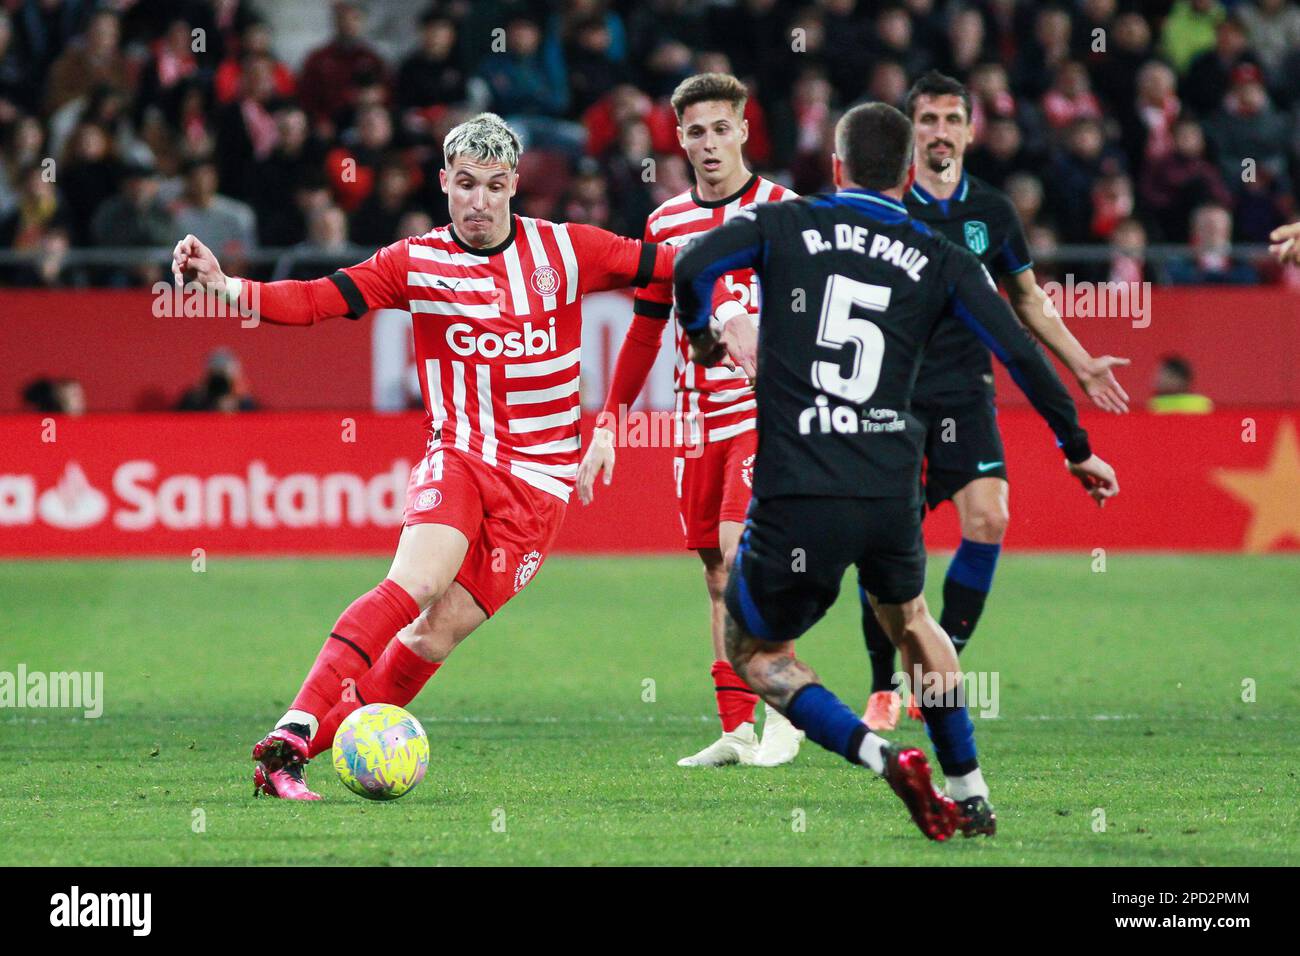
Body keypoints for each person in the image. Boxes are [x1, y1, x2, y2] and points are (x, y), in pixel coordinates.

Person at [172, 113, 675, 800]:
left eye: (494, 186)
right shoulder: (416, 262)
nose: (478, 201)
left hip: (541, 488)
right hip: (461, 457)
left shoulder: (569, 251)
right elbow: (317, 300)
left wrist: (776, 251)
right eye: (465, 184)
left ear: (514, 186)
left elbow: (672, 268)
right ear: (443, 182)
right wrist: (225, 285)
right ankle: (291, 729)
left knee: (435, 637)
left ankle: (290, 759)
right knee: (417, 584)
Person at [673, 101, 1119, 841]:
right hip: (889, 486)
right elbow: (1016, 350)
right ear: (909, 174)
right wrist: (1076, 446)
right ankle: (969, 789)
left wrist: (702, 334)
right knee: (912, 620)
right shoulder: (942, 256)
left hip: (798, 486)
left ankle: (883, 756)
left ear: (837, 166)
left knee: (754, 652)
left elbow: (693, 265)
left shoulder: (786, 224)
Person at [860, 72, 1129, 731]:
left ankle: (938, 667)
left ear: (972, 131)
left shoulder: (992, 212)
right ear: (909, 130)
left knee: (989, 519)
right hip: (891, 392)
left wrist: (1082, 360)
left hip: (964, 390)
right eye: (928, 120)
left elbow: (1027, 301)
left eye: (953, 120)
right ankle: (881, 687)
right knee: (885, 543)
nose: (941, 132)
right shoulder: (880, 204)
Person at [577, 72, 803, 768]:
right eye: (695, 131)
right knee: (713, 571)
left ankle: (785, 714)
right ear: (678, 137)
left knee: (742, 553)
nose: (708, 144)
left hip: (767, 416)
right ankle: (736, 728)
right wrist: (610, 423)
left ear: (743, 130)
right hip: (695, 420)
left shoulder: (783, 210)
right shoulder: (665, 223)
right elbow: (645, 331)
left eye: (720, 129)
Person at [1148, 355, 1213, 413]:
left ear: (1181, 379)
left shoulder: (1201, 405)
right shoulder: (1154, 405)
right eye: (1159, 374)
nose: (1159, 379)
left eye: (1167, 375)